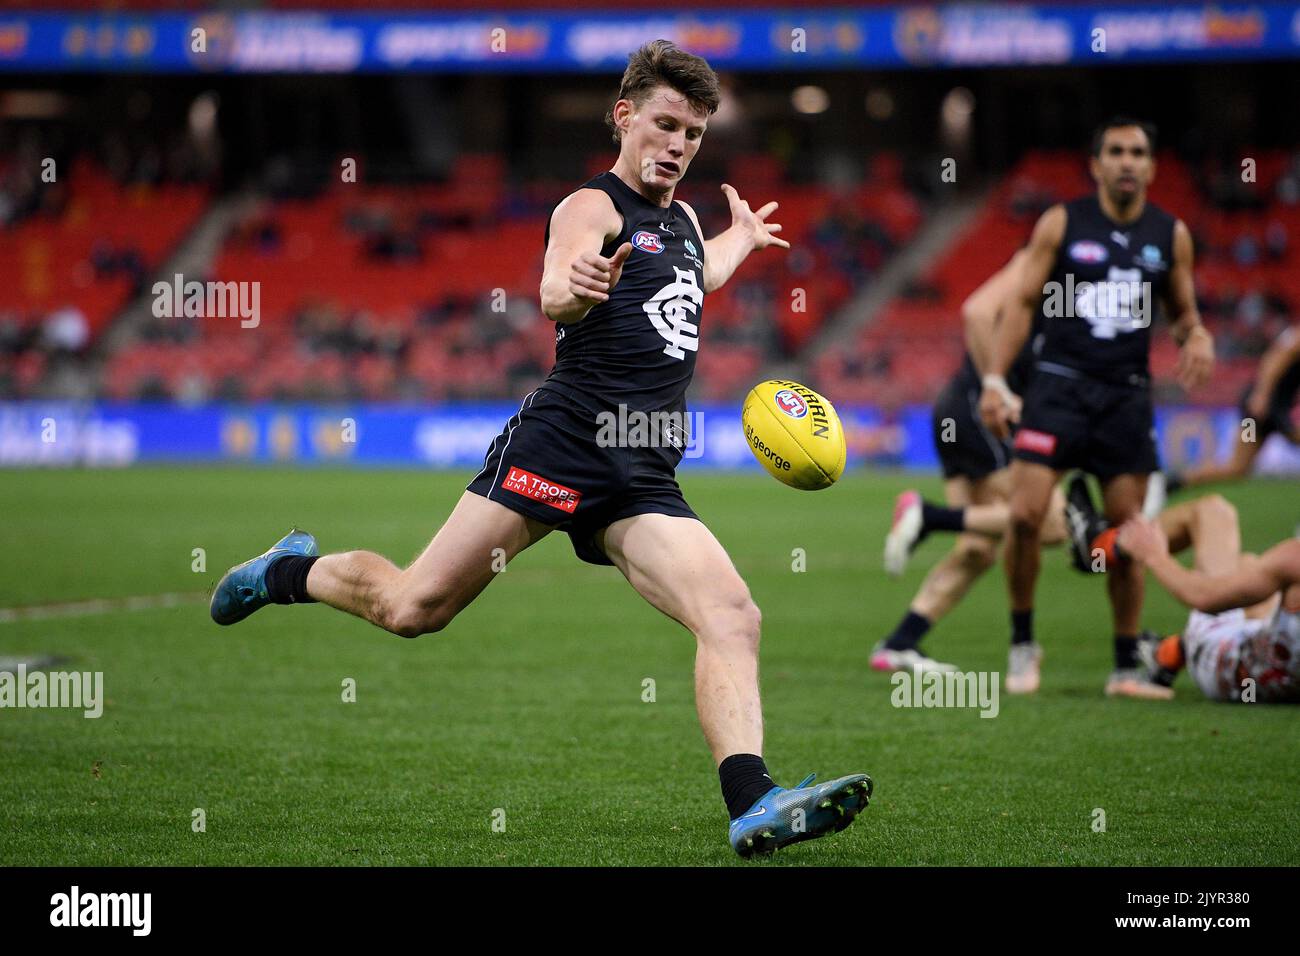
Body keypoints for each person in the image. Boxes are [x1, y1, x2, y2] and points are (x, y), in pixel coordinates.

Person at [208, 40, 870, 858]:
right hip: (558, 448)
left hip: (641, 473)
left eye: (694, 134)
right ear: (625, 117)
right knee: (414, 609)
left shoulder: (686, 220)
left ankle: (754, 801)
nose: (678, 145)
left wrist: (737, 240)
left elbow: (693, 278)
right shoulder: (590, 209)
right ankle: (287, 570)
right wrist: (574, 288)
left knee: (732, 614)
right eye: (666, 125)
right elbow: (557, 283)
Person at [979, 117, 1215, 697]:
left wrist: (1198, 334)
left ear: (1152, 167)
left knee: (1128, 533)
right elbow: (1022, 303)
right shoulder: (1062, 222)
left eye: (1138, 152)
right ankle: (1023, 642)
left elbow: (1184, 313)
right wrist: (993, 379)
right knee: (1025, 516)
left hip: (1126, 396)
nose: (1127, 161)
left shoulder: (1171, 234)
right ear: (1097, 163)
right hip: (1057, 388)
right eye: (1115, 151)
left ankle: (1122, 662)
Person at [875, 251, 1068, 675]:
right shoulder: (1039, 260)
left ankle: (898, 643)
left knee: (978, 547)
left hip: (959, 409)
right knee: (1051, 525)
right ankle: (928, 516)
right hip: (979, 410)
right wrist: (995, 388)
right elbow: (976, 312)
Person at [1073, 492, 1300, 704]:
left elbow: (1204, 598)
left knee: (1213, 512)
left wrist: (1154, 556)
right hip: (1275, 670)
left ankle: (1103, 547)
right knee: (1251, 571)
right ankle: (1168, 653)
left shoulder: (1294, 559)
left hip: (1225, 666)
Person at [1167, 323, 1300, 489]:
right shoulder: (1296, 338)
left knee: (1237, 468)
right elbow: (1274, 359)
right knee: (1236, 466)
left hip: (1274, 411)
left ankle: (1176, 483)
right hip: (1258, 410)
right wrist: (1261, 394)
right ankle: (1176, 482)